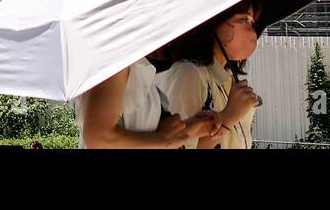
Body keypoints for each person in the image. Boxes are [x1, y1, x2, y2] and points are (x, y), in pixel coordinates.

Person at [155, 0, 263, 149]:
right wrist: (228, 117)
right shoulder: (189, 74)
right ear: (214, 20)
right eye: (244, 19)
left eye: (252, 22)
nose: (251, 31)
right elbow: (179, 145)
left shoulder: (227, 80)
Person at [74, 53, 222, 148]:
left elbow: (136, 130)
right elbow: (99, 138)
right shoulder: (117, 61)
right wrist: (163, 140)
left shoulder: (136, 64)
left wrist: (186, 129)